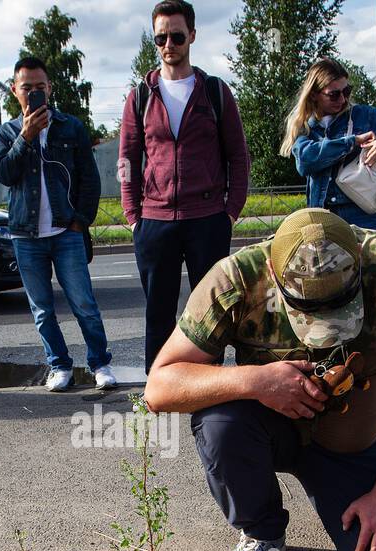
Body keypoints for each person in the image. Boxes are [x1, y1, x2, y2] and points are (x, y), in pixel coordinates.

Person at [144, 208, 376, 551]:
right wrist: (256, 381)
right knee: (221, 422)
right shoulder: (237, 278)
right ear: (274, 274)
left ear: (361, 263)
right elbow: (159, 387)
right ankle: (262, 533)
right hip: (268, 428)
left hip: (351, 446)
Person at [120, 0, 250, 372]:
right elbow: (127, 160)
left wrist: (230, 212)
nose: (168, 44)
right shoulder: (140, 96)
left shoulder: (215, 92)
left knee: (211, 308)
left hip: (208, 218)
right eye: (161, 37)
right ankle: (159, 383)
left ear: (192, 35)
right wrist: (133, 215)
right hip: (154, 221)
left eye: (177, 35)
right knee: (157, 312)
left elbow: (238, 157)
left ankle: (209, 383)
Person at [0, 57, 115, 393]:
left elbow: (89, 179)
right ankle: (59, 365)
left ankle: (100, 363)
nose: (34, 92)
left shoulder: (71, 127)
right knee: (43, 311)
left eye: (40, 86)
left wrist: (80, 221)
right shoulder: (5, 133)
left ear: (50, 89)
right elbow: (3, 174)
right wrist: (26, 137)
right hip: (25, 235)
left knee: (84, 304)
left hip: (66, 232)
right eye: (26, 87)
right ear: (15, 91)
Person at [284, 58, 376, 230]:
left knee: (370, 258)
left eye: (346, 91)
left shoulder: (362, 116)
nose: (342, 99)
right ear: (313, 94)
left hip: (363, 217)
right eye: (334, 94)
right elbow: (305, 161)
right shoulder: (305, 128)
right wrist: (352, 142)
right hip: (322, 220)